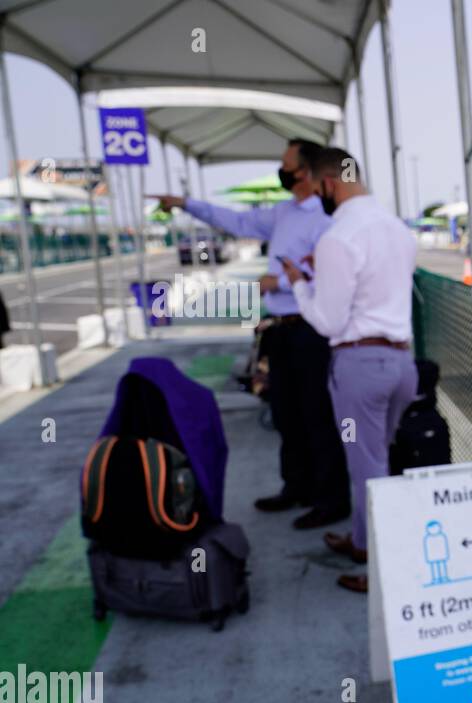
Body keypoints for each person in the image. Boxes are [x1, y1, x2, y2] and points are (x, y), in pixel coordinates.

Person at [151, 139, 350, 530]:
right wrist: (184, 203)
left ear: (306, 173)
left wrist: (278, 282)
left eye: (286, 164)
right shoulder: (283, 213)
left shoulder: (328, 219)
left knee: (318, 416)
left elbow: (333, 273)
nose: (282, 169)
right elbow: (236, 221)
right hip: (280, 330)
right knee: (286, 413)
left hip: (311, 329)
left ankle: (331, 499)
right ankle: (297, 486)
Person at [282, 148, 418, 594]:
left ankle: (383, 576)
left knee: (368, 471)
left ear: (327, 184)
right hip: (402, 363)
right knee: (377, 460)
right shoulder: (398, 229)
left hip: (360, 365)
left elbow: (328, 321)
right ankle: (362, 542)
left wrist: (301, 284)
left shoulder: (338, 237)